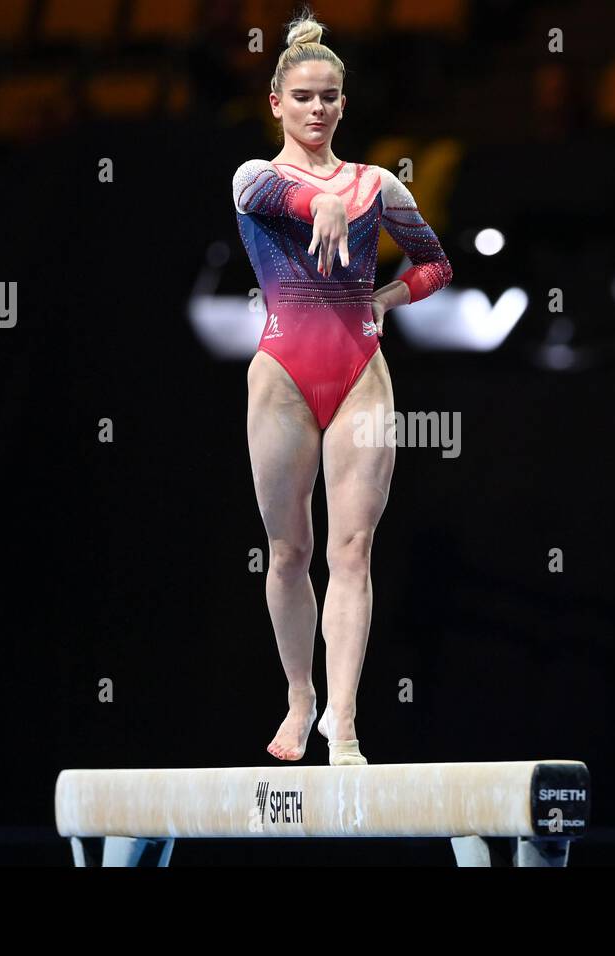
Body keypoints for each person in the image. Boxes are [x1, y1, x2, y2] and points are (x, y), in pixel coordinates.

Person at [231, 11, 452, 765]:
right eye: (303, 97)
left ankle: (346, 722)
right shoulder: (253, 179)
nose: (317, 109)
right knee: (290, 550)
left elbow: (436, 264)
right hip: (283, 377)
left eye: (330, 97)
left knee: (353, 550)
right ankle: (301, 697)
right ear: (277, 103)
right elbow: (284, 200)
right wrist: (318, 201)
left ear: (345, 105)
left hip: (361, 374)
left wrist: (386, 301)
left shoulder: (377, 183)